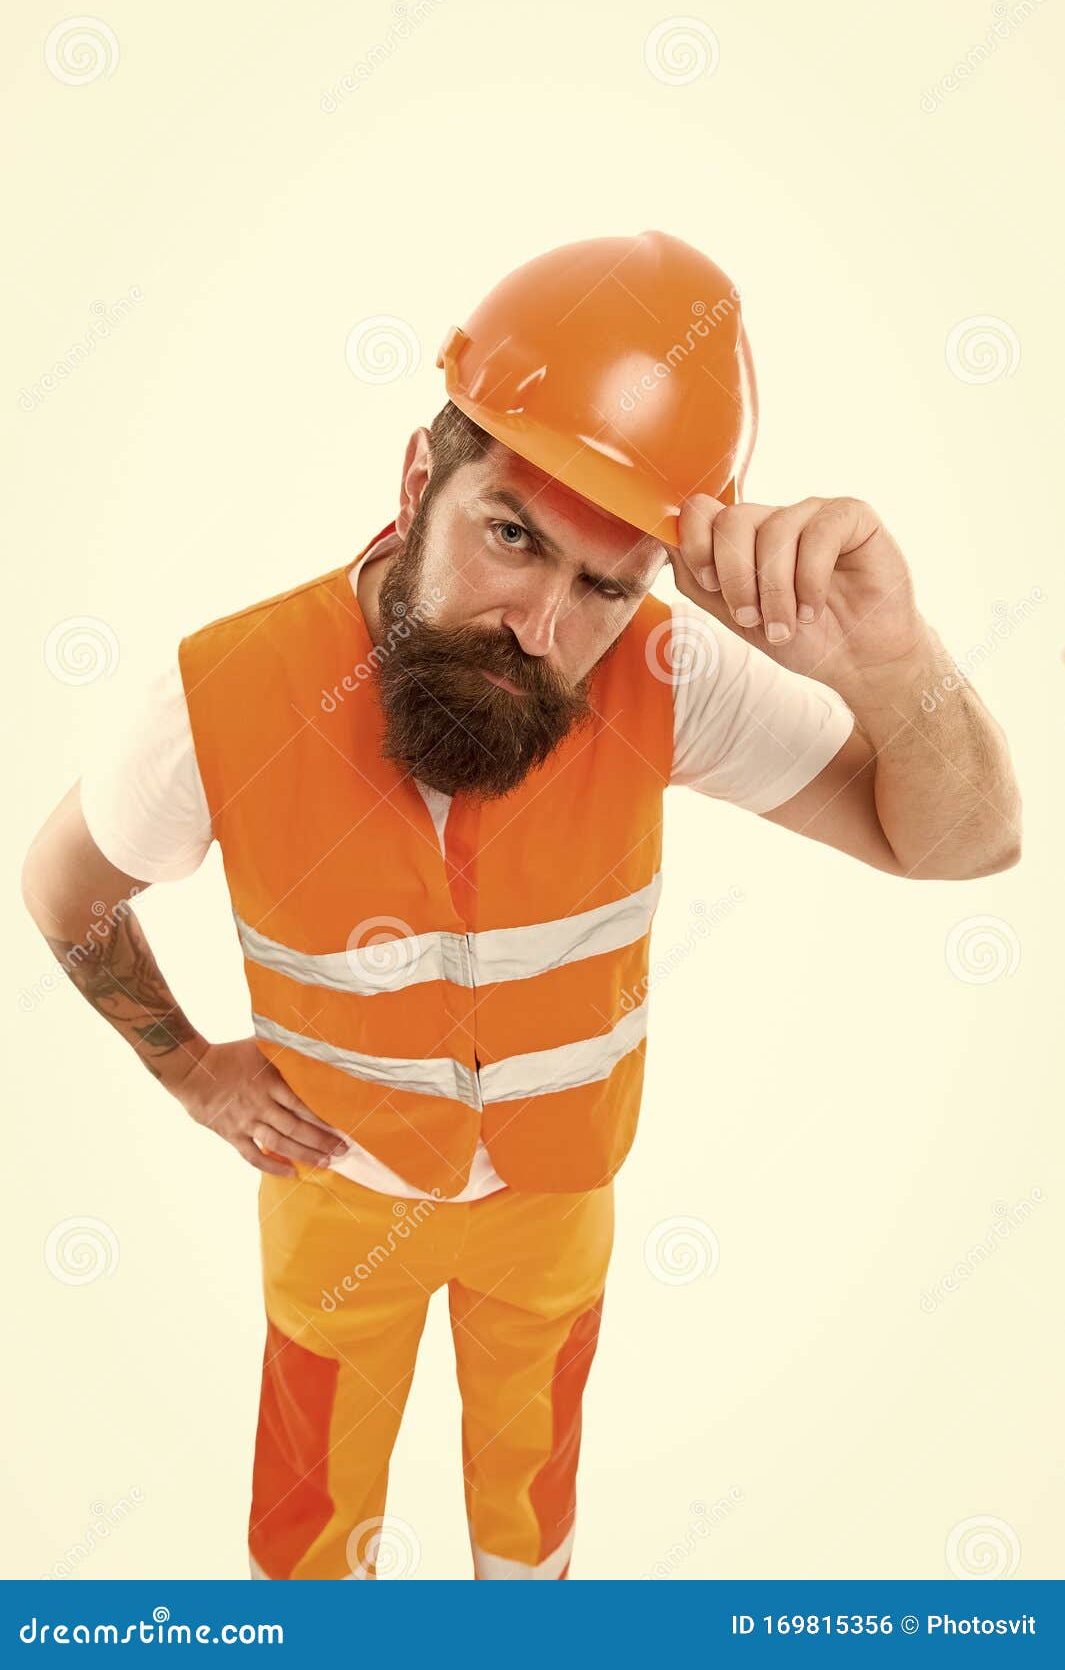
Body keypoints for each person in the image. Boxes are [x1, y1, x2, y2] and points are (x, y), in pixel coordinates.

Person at [21, 232, 1022, 1580]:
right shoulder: (226, 695)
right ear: (416, 483)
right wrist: (191, 1069)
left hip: (554, 1203)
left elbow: (967, 846)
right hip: (337, 1196)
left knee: (530, 1513)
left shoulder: (660, 672)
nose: (540, 628)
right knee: (310, 1529)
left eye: (604, 584)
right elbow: (63, 889)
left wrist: (893, 668)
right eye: (511, 536)